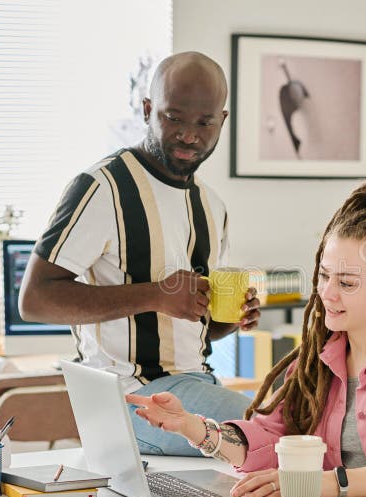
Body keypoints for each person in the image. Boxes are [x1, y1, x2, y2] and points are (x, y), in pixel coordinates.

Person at [127, 180, 366, 497]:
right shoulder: (316, 361)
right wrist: (191, 426)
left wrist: (318, 484)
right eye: (324, 276)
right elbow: (272, 441)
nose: (327, 293)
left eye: (346, 283)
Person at [19, 52, 258, 456]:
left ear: (223, 120)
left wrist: (230, 319)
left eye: (204, 122)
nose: (189, 134)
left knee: (290, 426)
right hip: (126, 400)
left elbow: (196, 329)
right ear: (148, 110)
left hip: (195, 388)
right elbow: (34, 300)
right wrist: (155, 294)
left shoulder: (212, 206)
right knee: (273, 433)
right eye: (174, 117)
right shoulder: (102, 187)